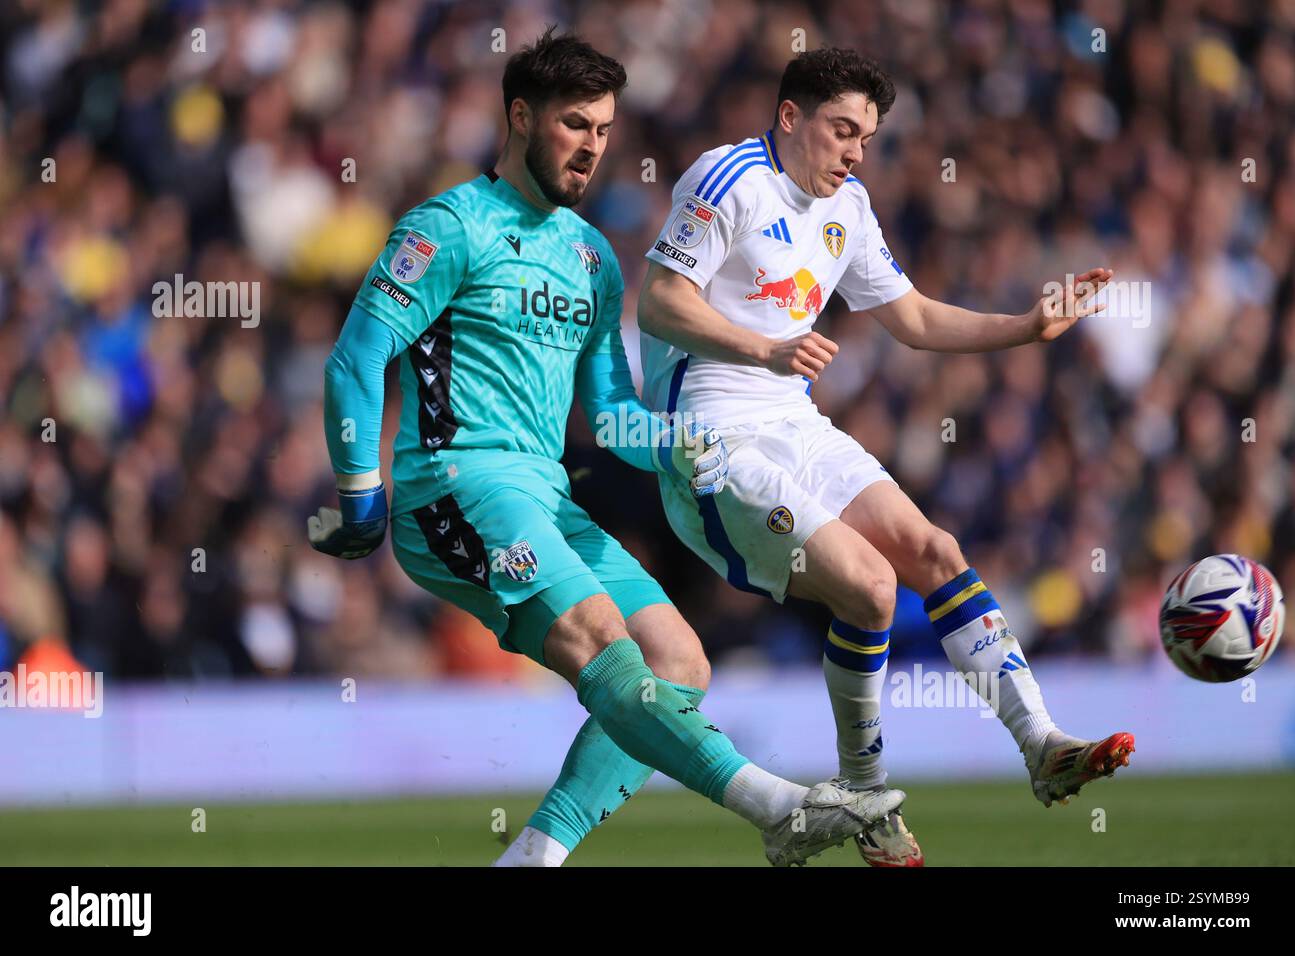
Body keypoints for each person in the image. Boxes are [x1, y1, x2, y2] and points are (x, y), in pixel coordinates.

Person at [307, 28, 904, 868]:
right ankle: (776, 805)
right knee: (598, 636)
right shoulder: (450, 226)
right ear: (520, 116)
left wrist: (675, 446)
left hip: (545, 496)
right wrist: (360, 492)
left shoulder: (590, 259)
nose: (592, 148)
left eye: (603, 130)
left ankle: (534, 859)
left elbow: (611, 413)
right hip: (455, 485)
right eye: (575, 125)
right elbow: (358, 357)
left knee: (680, 662)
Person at [636, 48, 1134, 866]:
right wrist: (760, 348)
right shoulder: (726, 179)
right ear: (791, 117)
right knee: (869, 586)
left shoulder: (850, 208)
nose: (856, 151)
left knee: (934, 552)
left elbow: (915, 319)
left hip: (792, 421)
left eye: (866, 136)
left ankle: (1042, 745)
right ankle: (867, 787)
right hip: (710, 436)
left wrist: (1025, 324)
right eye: (842, 130)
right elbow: (658, 301)